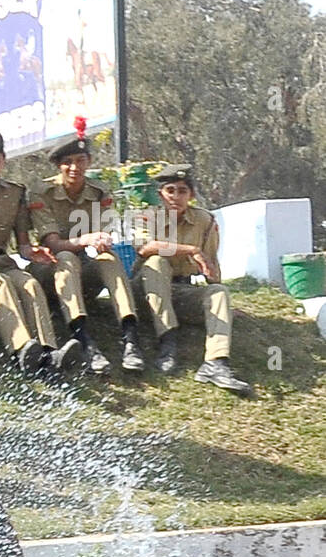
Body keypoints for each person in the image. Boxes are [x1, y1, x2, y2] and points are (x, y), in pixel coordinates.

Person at [0, 121, 82, 377]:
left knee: (30, 283)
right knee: (0, 284)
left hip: (1, 261)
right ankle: (22, 350)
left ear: (3, 160)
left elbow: (21, 244)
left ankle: (48, 352)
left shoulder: (15, 193)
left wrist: (32, 252)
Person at [29, 118, 145, 374]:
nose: (74, 168)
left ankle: (130, 338)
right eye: (67, 162)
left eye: (80, 161)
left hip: (83, 274)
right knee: (67, 258)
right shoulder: (42, 193)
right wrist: (86, 240)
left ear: (89, 162)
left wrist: (102, 240)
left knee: (109, 258)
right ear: (59, 166)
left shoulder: (98, 193)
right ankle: (84, 341)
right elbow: (53, 243)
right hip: (49, 272)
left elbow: (105, 231)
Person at [135, 164, 251, 394]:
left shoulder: (204, 220)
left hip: (181, 290)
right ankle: (167, 344)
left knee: (219, 293)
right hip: (146, 292)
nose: (176, 197)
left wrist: (221, 303)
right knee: (157, 261)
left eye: (182, 191)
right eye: (170, 190)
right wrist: (190, 250)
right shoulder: (146, 217)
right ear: (161, 194)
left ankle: (215, 363)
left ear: (191, 195)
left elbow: (211, 265)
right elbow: (146, 248)